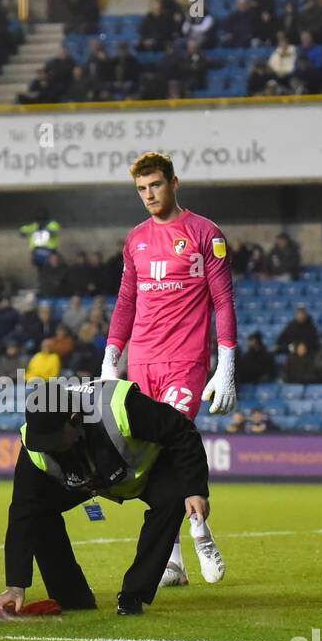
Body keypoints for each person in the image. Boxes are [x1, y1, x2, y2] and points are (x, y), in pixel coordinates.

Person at [101, 151, 235, 589]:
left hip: (184, 362)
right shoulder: (135, 239)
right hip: (141, 362)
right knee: (150, 458)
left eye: (155, 185)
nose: (148, 195)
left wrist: (227, 364)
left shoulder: (205, 234)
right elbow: (126, 302)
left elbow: (223, 302)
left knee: (176, 440)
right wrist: (110, 358)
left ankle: (199, 532)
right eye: (141, 189)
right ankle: (173, 560)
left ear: (174, 183)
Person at [0, 378, 219, 617]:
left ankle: (134, 594)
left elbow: (181, 431)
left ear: (74, 420)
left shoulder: (123, 407)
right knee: (38, 511)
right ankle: (72, 597)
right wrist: (15, 585)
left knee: (172, 497)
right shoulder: (36, 445)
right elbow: (23, 511)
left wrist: (195, 489)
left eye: (53, 441)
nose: (46, 448)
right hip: (90, 477)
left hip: (145, 471)